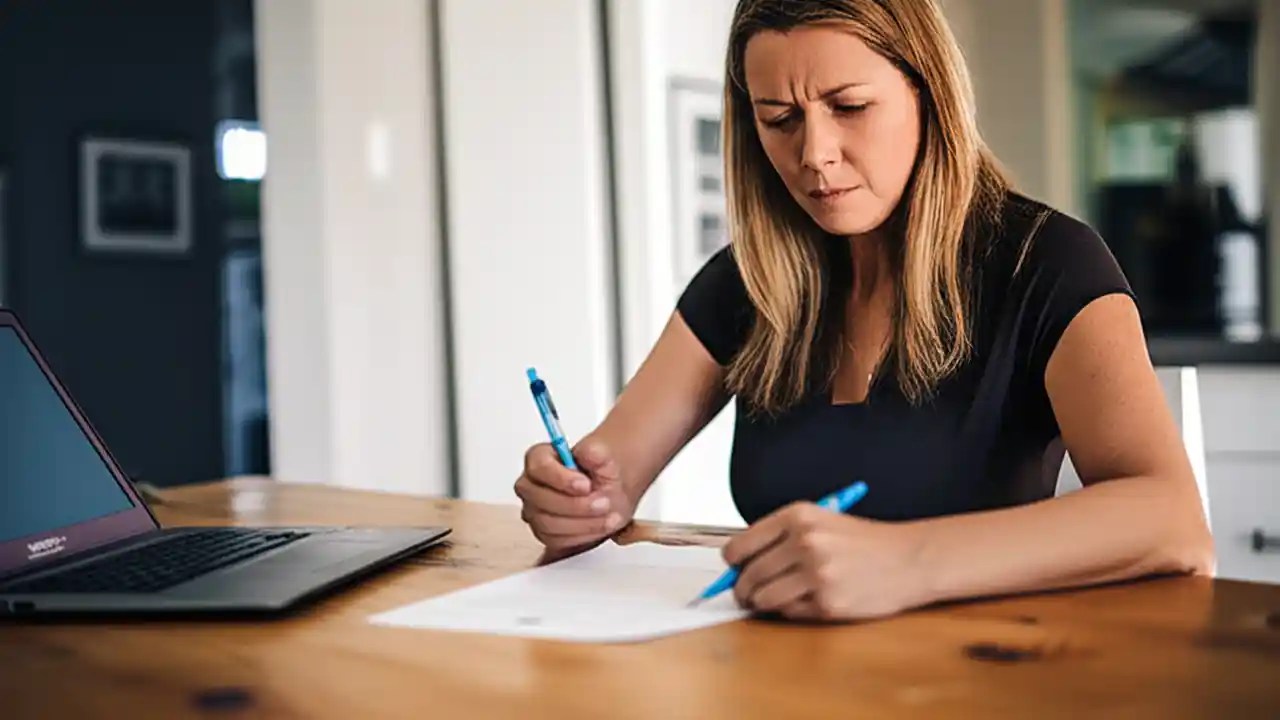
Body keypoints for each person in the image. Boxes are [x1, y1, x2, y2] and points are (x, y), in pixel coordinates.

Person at [514, 0, 1214, 621]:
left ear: (927, 93)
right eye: (779, 120)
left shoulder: (1048, 261)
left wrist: (903, 561)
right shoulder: (748, 280)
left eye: (849, 107)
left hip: (984, 680)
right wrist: (578, 501)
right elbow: (609, 477)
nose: (814, 155)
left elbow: (1172, 520)